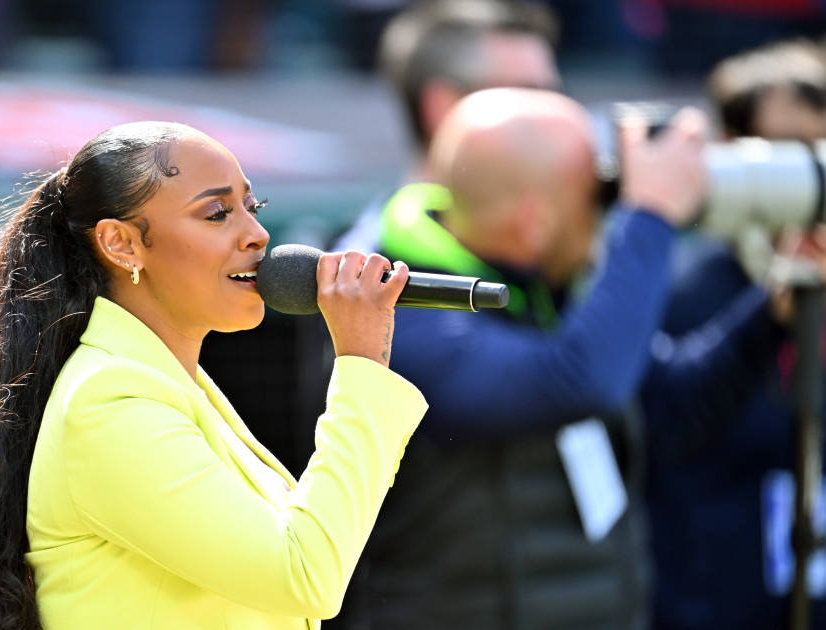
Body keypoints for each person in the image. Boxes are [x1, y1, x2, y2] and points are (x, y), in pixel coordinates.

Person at [0, 121, 429, 630]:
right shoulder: (108, 402)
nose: (257, 234)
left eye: (253, 205)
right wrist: (360, 365)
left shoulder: (162, 381)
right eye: (218, 213)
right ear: (121, 244)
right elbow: (304, 575)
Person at [330, 86, 794, 629]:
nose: (605, 212)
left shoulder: (548, 284)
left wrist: (776, 302)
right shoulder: (400, 312)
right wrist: (650, 216)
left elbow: (675, 406)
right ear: (534, 221)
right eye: (593, 195)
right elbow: (579, 382)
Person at [645, 39, 826, 630]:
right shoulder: (683, 291)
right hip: (713, 599)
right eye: (788, 149)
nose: (809, 174)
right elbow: (674, 426)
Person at [334, 0, 560, 253]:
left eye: (556, 95)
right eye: (525, 95)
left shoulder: (564, 243)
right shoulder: (375, 271)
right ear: (443, 108)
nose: (557, 115)